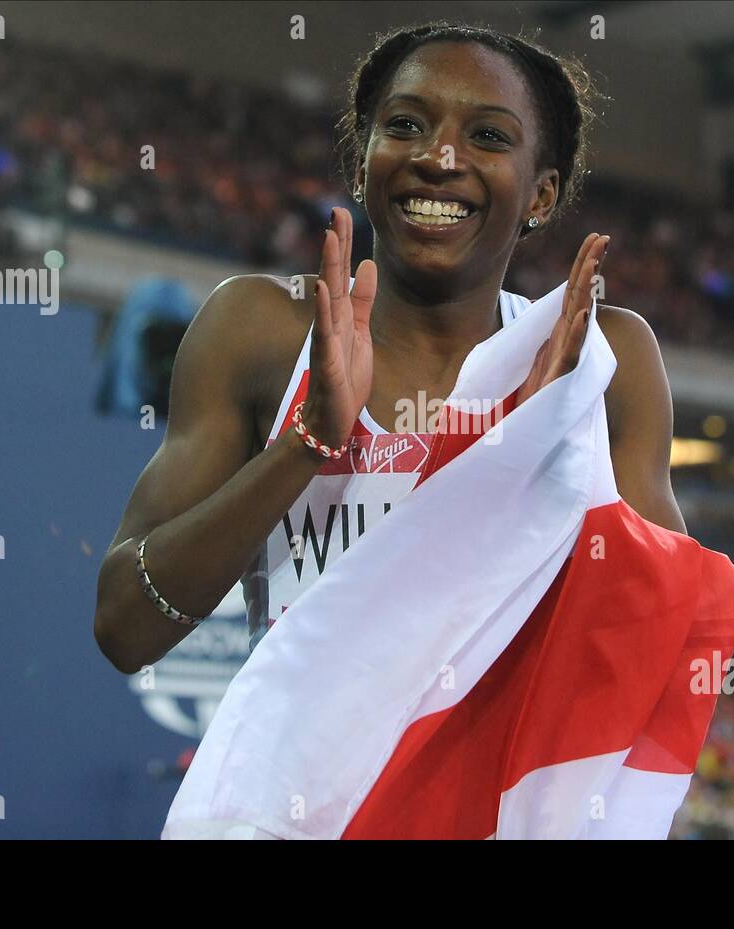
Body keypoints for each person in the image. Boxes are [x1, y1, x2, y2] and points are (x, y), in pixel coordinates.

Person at [94, 23, 688, 674]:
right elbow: (126, 626)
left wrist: (532, 461)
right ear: (360, 160)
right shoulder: (262, 330)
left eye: (487, 135)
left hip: (497, 778)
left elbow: (665, 662)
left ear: (541, 194)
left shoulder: (603, 362)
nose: (438, 157)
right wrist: (306, 443)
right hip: (300, 775)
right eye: (406, 125)